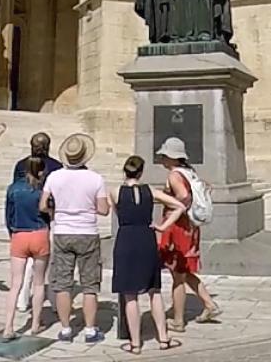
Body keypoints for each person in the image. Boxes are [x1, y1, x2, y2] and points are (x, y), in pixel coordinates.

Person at [41, 132, 110, 344]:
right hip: (87, 232)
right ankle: (89, 330)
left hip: (62, 231)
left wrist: (57, 212)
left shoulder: (54, 177)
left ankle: (65, 329)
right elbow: (104, 209)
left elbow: (43, 205)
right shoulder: (95, 178)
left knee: (63, 284)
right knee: (90, 285)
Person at [113, 155, 185, 354]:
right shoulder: (151, 191)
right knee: (154, 290)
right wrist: (162, 226)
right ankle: (163, 338)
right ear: (141, 172)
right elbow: (180, 206)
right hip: (147, 237)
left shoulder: (115, 192)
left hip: (126, 238)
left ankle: (135, 343)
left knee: (130, 295)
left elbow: (118, 213)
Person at [156, 139, 219, 332]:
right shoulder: (189, 172)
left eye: (164, 156)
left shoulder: (174, 175)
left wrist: (173, 207)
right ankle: (209, 304)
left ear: (172, 157)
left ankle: (178, 320)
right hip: (189, 227)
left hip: (178, 227)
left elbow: (183, 196)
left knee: (178, 275)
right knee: (184, 271)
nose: (162, 159)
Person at [2, 156, 52, 340]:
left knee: (15, 284)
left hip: (19, 234)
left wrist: (12, 233)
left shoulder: (13, 188)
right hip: (39, 233)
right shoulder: (41, 190)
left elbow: (8, 215)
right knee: (38, 283)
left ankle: (8, 326)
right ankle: (35, 324)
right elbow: (49, 213)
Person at [12, 133, 62, 312]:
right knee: (51, 261)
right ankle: (54, 301)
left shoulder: (21, 165)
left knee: (27, 263)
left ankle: (22, 299)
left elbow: (16, 191)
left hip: (26, 217)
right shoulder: (56, 166)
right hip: (48, 216)